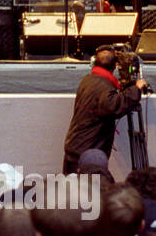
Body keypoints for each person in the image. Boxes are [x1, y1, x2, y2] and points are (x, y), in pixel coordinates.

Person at [61, 45, 147, 175]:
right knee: (85, 193)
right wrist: (136, 89)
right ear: (115, 66)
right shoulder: (104, 88)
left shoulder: (88, 80)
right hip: (85, 155)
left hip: (76, 148)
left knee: (71, 193)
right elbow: (116, 107)